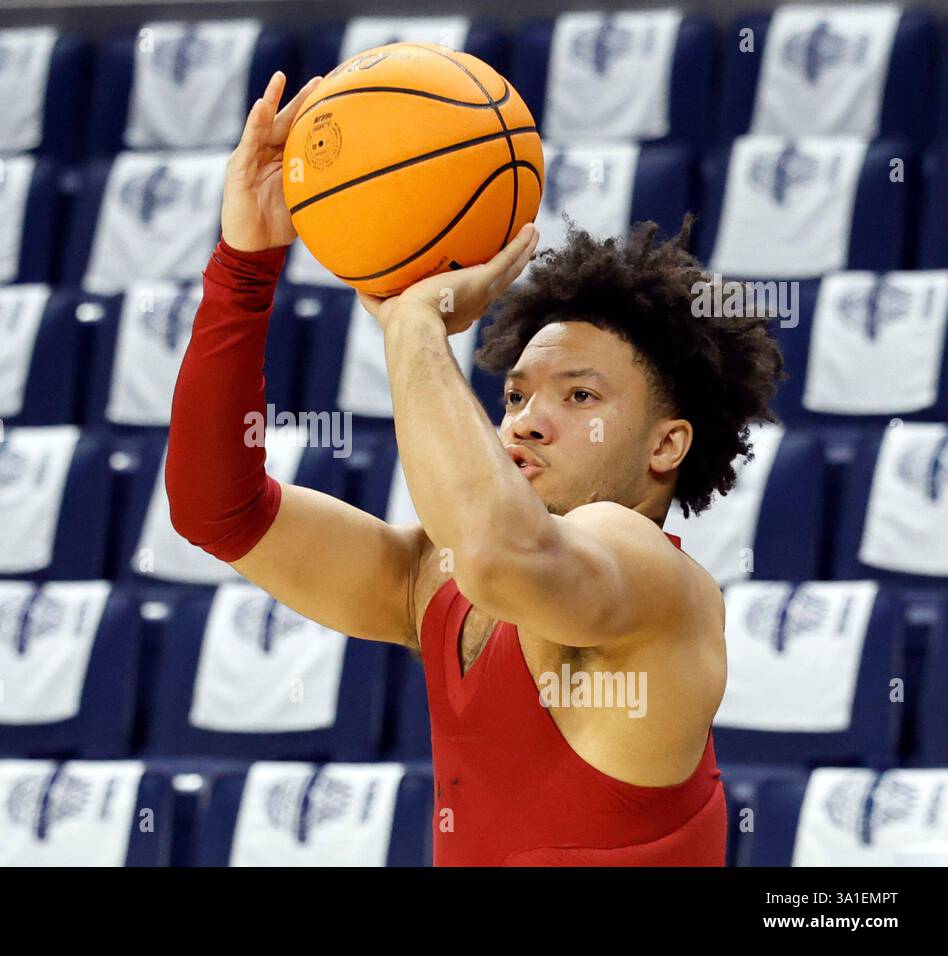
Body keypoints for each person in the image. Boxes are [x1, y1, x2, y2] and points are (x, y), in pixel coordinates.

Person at [166, 71, 783, 865]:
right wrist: (245, 265)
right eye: (516, 393)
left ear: (667, 445)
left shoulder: (654, 583)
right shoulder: (440, 579)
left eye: (579, 394)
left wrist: (414, 325)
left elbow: (501, 555)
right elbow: (215, 510)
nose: (526, 417)